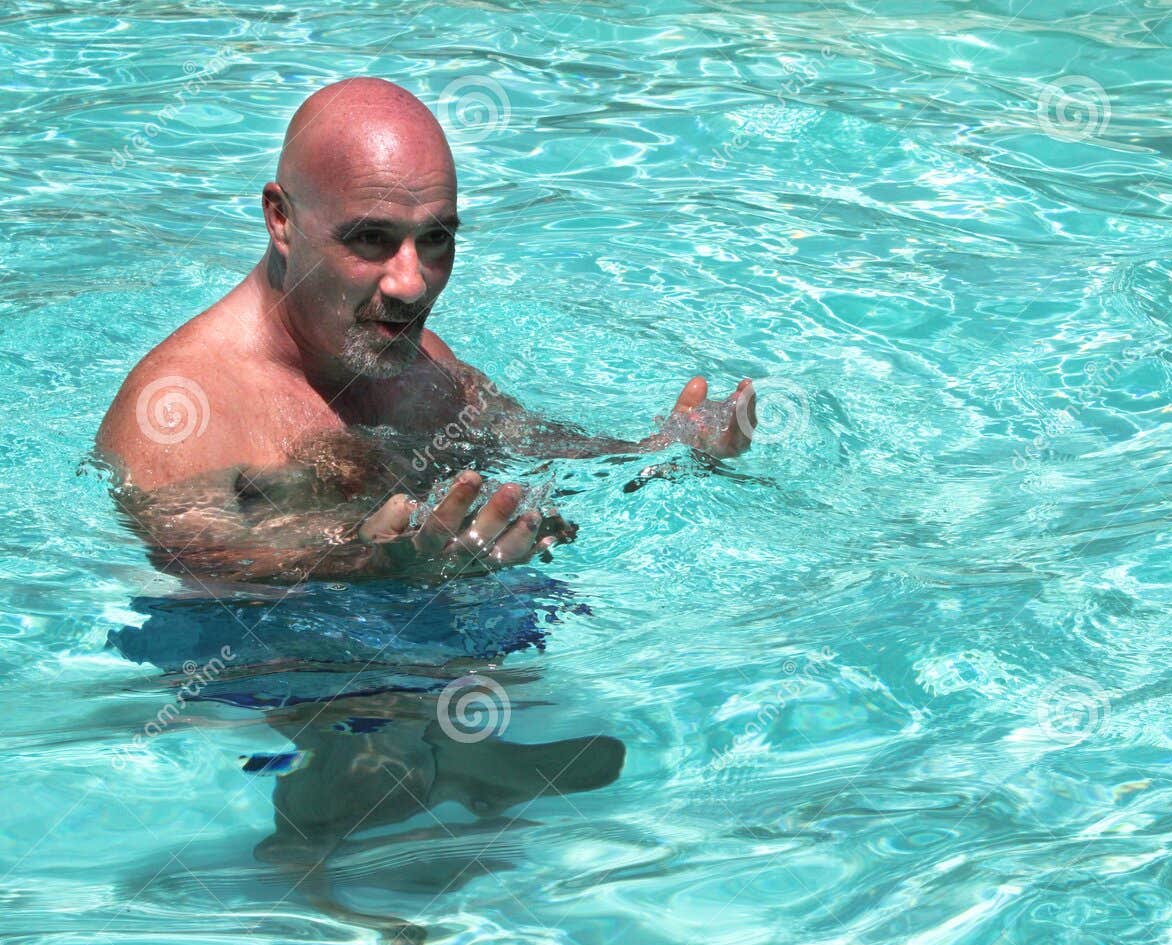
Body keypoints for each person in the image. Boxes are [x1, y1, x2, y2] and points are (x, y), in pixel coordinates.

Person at [95, 76, 758, 584]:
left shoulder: (411, 357)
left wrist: (663, 451)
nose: (411, 284)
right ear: (281, 220)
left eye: (436, 239)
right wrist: (378, 568)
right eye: (371, 239)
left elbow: (530, 449)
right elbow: (196, 573)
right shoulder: (185, 413)